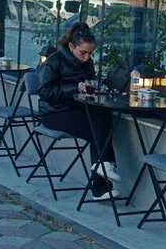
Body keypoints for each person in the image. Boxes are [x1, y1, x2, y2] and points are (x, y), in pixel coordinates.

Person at [37, 21, 120, 200]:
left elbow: (88, 86)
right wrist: (76, 87)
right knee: (99, 130)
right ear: (71, 46)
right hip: (54, 112)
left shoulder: (87, 63)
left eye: (90, 53)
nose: (87, 57)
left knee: (105, 116)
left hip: (77, 109)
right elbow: (45, 92)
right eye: (83, 52)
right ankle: (103, 179)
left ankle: (103, 171)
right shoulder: (54, 61)